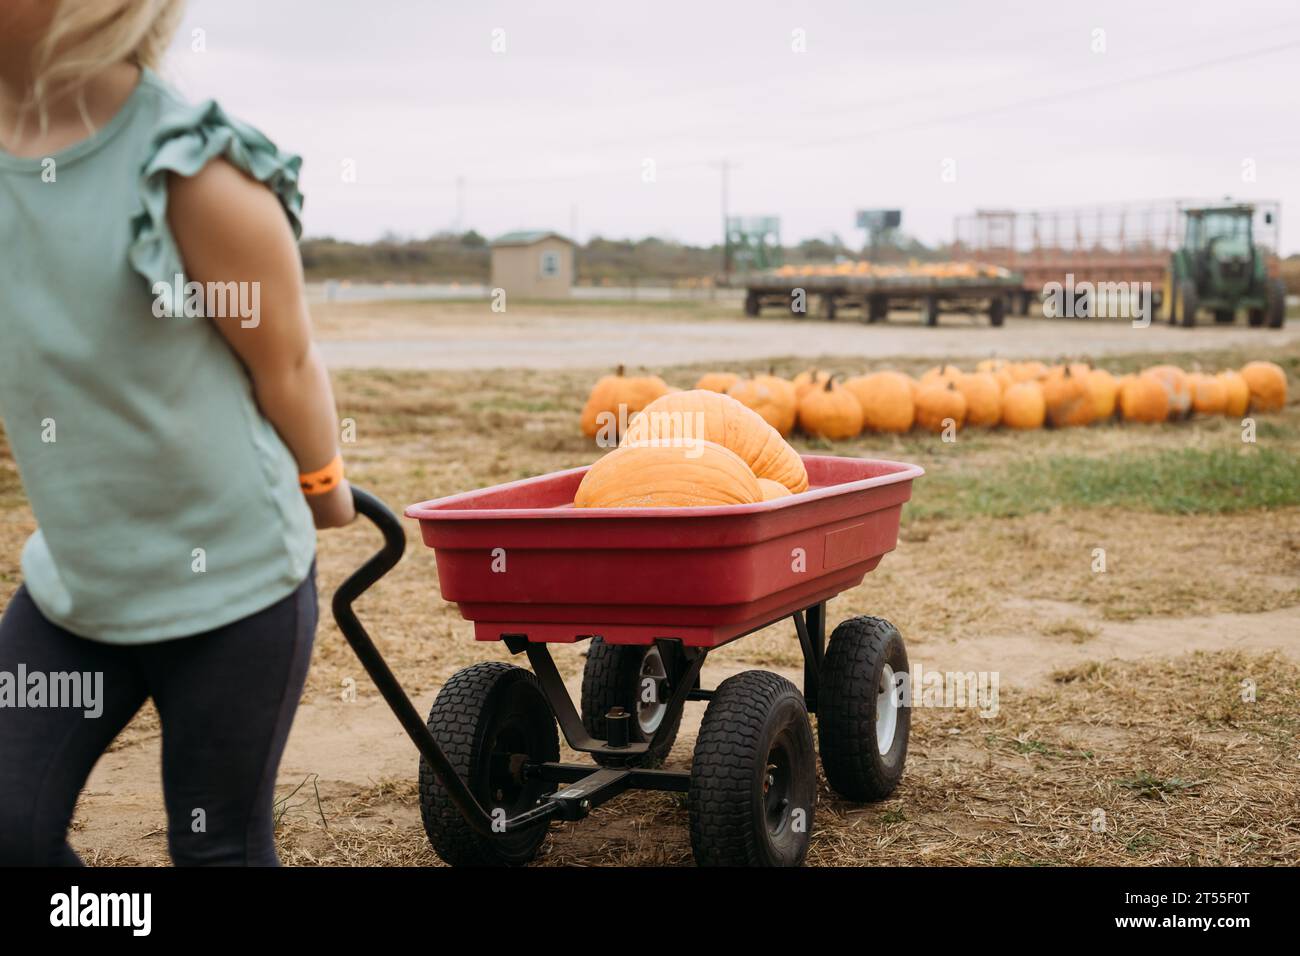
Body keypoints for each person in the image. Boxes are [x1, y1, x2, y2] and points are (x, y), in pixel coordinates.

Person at [0, 0, 353, 865]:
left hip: (233, 591)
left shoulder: (189, 170)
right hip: (77, 587)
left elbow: (289, 366)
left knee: (216, 848)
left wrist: (324, 489)